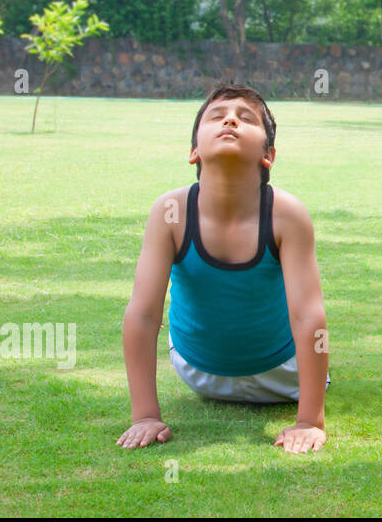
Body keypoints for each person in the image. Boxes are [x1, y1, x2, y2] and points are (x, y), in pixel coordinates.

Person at [117, 84, 329, 454]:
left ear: (269, 155)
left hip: (283, 375)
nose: (230, 118)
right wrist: (145, 416)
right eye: (216, 116)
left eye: (246, 118)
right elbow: (142, 314)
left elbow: (308, 316)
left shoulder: (286, 213)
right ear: (194, 151)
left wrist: (309, 421)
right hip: (199, 372)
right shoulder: (170, 212)